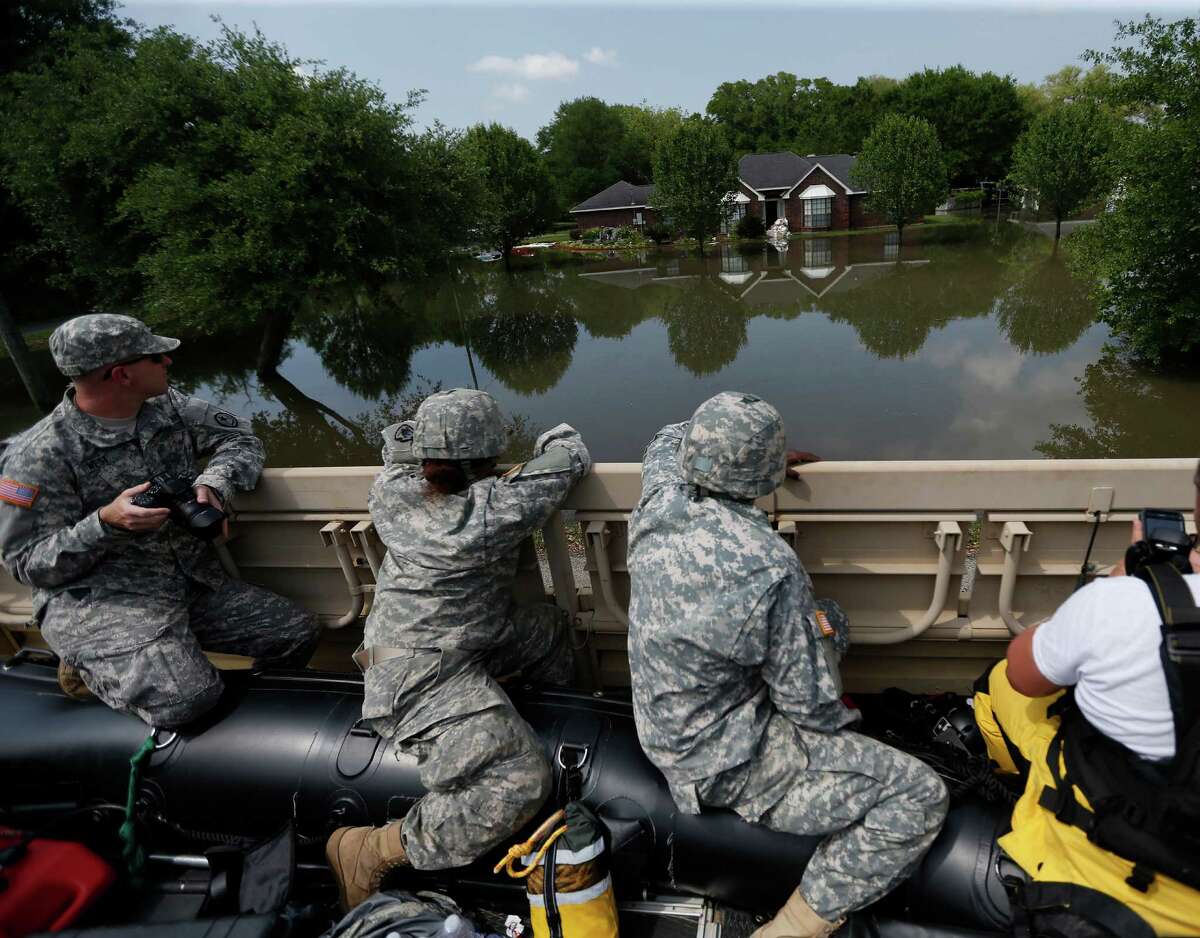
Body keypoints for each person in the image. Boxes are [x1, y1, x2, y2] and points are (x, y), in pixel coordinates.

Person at [626, 392, 947, 938]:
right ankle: (790, 929)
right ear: (765, 475)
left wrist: (740, 452)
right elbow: (812, 710)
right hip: (723, 763)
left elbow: (665, 437)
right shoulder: (771, 566)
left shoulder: (660, 501)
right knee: (918, 794)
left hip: (663, 727)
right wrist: (828, 632)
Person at [325, 388, 591, 911]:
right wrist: (542, 447)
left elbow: (396, 442)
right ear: (486, 457)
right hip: (419, 673)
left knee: (547, 630)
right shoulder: (490, 510)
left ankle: (541, 721)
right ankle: (372, 850)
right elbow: (569, 450)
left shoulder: (393, 486)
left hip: (466, 637)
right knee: (520, 778)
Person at [0, 314, 319, 727]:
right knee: (188, 699)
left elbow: (241, 438)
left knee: (295, 632)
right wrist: (106, 523)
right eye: (154, 357)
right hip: (102, 600)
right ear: (122, 375)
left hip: (188, 581)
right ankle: (87, 664)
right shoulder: (37, 457)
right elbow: (27, 562)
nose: (167, 361)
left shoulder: (168, 407)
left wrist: (215, 483)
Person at [974, 461, 1200, 937]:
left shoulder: (1126, 602)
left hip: (1103, 885)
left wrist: (1127, 579)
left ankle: (1010, 785)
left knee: (997, 682)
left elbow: (1023, 673)